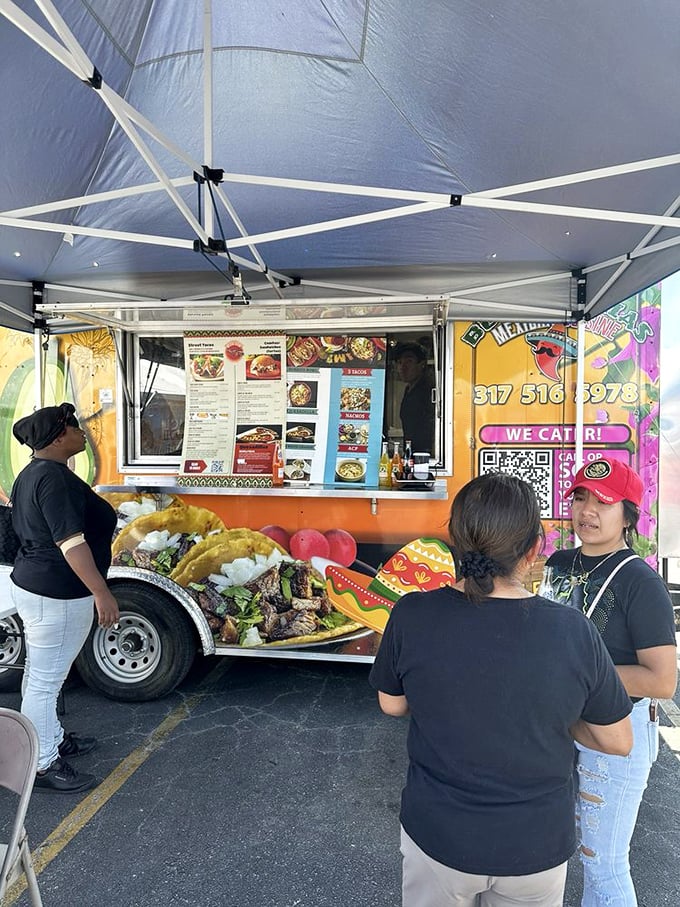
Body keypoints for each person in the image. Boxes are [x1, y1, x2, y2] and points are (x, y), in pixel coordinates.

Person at [369, 472, 633, 907]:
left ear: (455, 539)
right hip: (536, 848)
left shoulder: (412, 614)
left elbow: (391, 703)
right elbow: (618, 739)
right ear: (533, 549)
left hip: (439, 836)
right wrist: (559, 716)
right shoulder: (572, 631)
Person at [539, 458, 677, 907]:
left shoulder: (641, 581)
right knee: (559, 847)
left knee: (604, 861)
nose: (588, 510)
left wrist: (577, 674)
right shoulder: (558, 563)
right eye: (580, 497)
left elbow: (661, 680)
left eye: (604, 500)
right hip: (560, 720)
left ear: (629, 514)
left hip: (618, 727)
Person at [10, 402, 119, 793]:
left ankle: (50, 739)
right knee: (45, 680)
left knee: (44, 676)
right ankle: (40, 764)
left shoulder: (35, 473)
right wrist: (101, 592)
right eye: (75, 427)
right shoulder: (53, 479)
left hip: (40, 587)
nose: (82, 431)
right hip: (56, 592)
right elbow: (71, 543)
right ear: (59, 437)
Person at [394, 342, 435, 454]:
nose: (403, 367)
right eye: (400, 362)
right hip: (411, 452)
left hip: (425, 455)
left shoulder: (428, 390)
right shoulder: (408, 390)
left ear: (421, 364)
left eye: (409, 361)